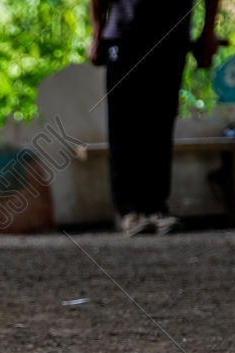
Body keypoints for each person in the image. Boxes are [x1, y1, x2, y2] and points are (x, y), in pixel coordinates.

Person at [88, 0, 221, 235]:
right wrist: (97, 34)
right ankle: (130, 211)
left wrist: (208, 31)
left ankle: (156, 208)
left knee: (160, 122)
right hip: (123, 35)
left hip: (172, 34)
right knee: (124, 124)